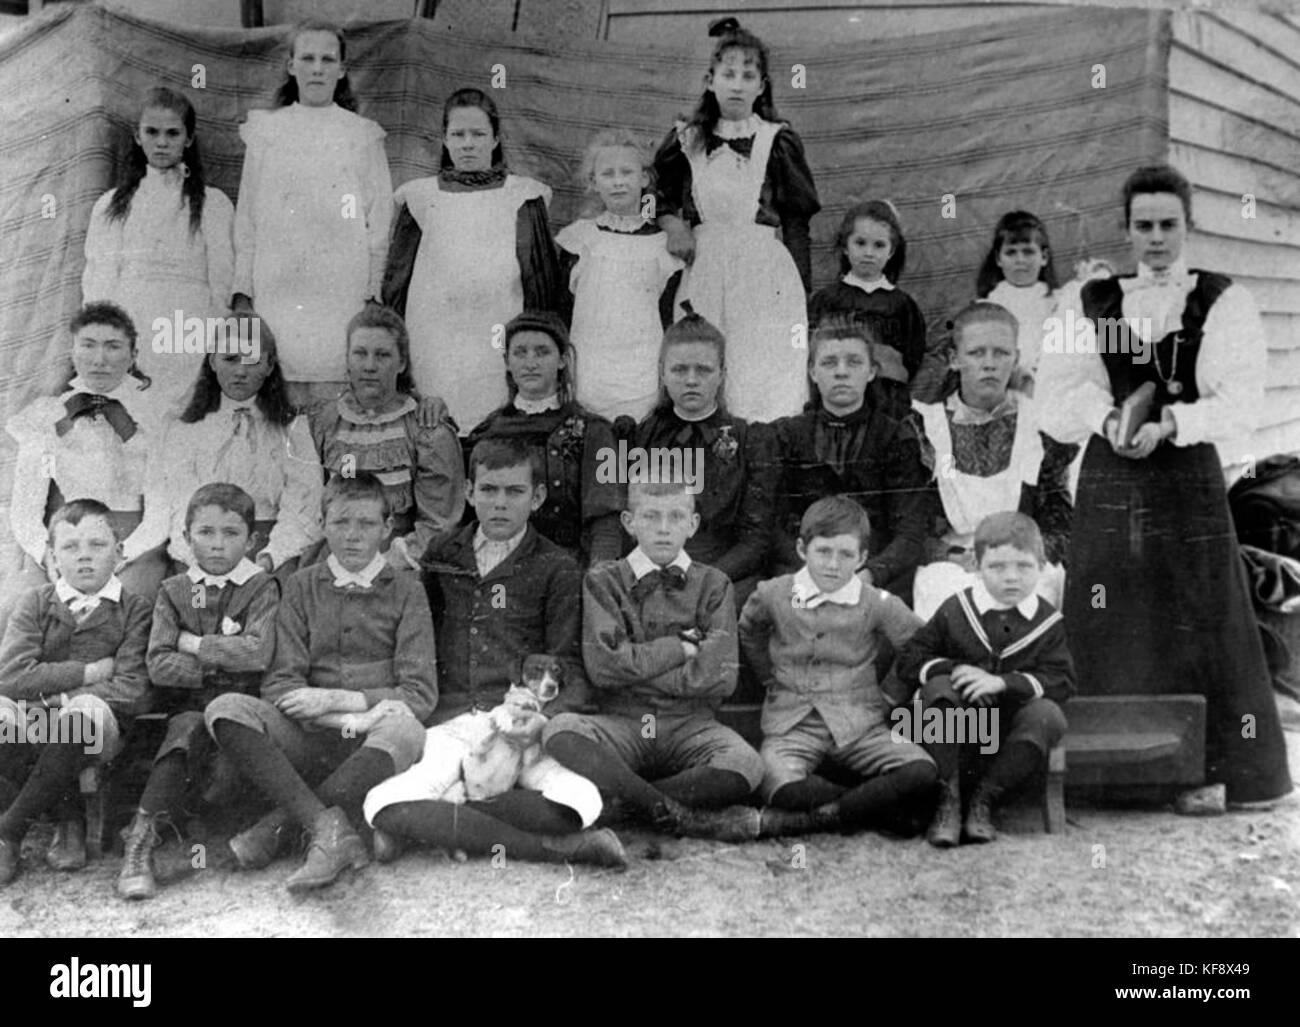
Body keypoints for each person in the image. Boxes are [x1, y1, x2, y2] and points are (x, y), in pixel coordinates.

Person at [1036, 163, 1292, 807]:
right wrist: (1109, 420)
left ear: (1188, 227)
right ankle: (1110, 776)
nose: (1155, 238)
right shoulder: (1087, 300)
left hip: (1186, 478)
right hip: (1112, 476)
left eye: (1167, 225)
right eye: (1143, 226)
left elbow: (1241, 400)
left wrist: (1174, 422)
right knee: (1105, 607)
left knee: (1204, 613)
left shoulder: (1221, 299)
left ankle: (1221, 772)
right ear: (1126, 229)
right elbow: (1057, 394)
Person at [361, 438, 624, 869]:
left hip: (520, 725)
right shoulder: (445, 554)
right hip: (452, 720)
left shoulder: (556, 567)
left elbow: (568, 663)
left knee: (583, 801)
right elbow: (422, 640)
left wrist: (539, 719)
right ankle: (555, 849)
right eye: (488, 490)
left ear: (537, 497)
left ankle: (442, 823)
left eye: (514, 492)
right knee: (381, 804)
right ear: (469, 492)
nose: (499, 503)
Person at [203, 473, 433, 892]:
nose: (352, 536)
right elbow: (280, 683)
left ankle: (281, 826)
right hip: (308, 739)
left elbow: (419, 693)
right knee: (227, 709)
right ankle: (328, 828)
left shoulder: (407, 591)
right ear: (324, 524)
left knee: (406, 727)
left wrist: (337, 700)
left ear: (387, 529)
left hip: (373, 746)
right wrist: (336, 715)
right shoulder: (300, 585)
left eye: (366, 524)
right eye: (341, 523)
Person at [542, 481, 765, 842]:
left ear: (692, 524)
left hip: (689, 724)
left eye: (676, 516)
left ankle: (626, 804)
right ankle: (665, 808)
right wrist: (682, 648)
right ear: (629, 522)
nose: (664, 527)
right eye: (651, 516)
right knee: (561, 730)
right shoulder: (604, 580)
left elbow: (719, 678)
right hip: (624, 721)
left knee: (746, 763)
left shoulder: (714, 584)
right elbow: (604, 669)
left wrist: (634, 667)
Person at [652, 17, 820, 422]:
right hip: (705, 265)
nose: (738, 84)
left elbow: (797, 221)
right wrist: (672, 223)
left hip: (764, 270)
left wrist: (801, 292)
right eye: (728, 74)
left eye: (748, 75)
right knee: (706, 359)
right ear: (711, 80)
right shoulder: (686, 139)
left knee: (762, 366)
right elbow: (653, 195)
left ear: (761, 86)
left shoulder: (775, 140)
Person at [739, 496, 936, 838]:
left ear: (862, 558)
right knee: (777, 789)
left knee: (921, 771)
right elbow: (749, 628)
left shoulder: (875, 601)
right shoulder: (773, 593)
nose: (833, 565)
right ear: (802, 549)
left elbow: (920, 643)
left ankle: (834, 815)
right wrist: (769, 676)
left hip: (860, 724)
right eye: (823, 551)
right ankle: (868, 807)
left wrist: (891, 694)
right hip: (792, 725)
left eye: (846, 555)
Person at [118, 484, 280, 900]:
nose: (217, 545)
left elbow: (258, 653)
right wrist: (225, 661)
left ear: (252, 540)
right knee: (187, 731)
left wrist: (195, 645)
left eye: (231, 533)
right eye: (205, 533)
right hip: (189, 709)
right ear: (187, 538)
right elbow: (158, 663)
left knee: (223, 781)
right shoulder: (174, 591)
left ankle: (194, 828)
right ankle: (141, 838)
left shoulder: (261, 588)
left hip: (242, 712)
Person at [230, 20, 392, 406]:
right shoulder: (266, 131)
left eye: (327, 59)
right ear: (291, 66)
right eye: (307, 58)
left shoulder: (362, 134)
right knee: (279, 394)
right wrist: (242, 290)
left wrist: (372, 291)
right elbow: (248, 214)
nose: (317, 68)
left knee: (331, 396)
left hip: (340, 289)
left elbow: (379, 222)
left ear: (342, 69)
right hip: (278, 286)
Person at [383, 88, 563, 430]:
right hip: (434, 338)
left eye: (478, 134)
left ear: (495, 139)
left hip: (496, 336)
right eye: (458, 134)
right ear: (445, 140)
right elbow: (397, 284)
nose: (468, 144)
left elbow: (539, 285)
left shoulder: (522, 196)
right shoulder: (420, 197)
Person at [898, 512, 1075, 847]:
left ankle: (984, 799)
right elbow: (911, 659)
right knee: (938, 689)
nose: (1012, 578)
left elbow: (1063, 679)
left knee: (1048, 714)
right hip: (957, 733)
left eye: (1024, 567)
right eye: (997, 567)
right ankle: (948, 800)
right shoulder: (957, 609)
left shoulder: (1047, 622)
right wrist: (956, 671)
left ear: (1041, 566)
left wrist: (1005, 682)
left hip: (1009, 739)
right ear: (977, 566)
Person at [0, 500, 152, 886]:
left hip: (99, 731)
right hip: (36, 728)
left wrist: (54, 698)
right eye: (70, 547)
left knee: (82, 710)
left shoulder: (135, 609)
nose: (84, 557)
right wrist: (86, 671)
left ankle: (10, 830)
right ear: (52, 556)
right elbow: (12, 676)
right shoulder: (36, 602)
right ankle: (68, 818)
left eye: (97, 545)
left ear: (120, 552)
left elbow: (130, 688)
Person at [4, 302, 170, 625]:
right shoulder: (47, 417)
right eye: (88, 345)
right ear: (73, 351)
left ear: (133, 355)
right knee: (20, 614)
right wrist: (49, 556)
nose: (99, 360)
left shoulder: (154, 418)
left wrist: (120, 557)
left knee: (124, 614)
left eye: (113, 347)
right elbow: (25, 509)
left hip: (134, 547)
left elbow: (160, 513)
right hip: (65, 543)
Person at [911, 302, 1072, 620]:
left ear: (1016, 358)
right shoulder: (923, 427)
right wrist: (950, 554)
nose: (989, 364)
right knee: (946, 595)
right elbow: (910, 525)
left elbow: (1061, 521)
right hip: (951, 564)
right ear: (954, 359)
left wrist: (1023, 555)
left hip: (1023, 561)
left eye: (1000, 353)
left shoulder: (1040, 426)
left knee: (1038, 592)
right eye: (976, 353)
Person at [81, 86, 234, 410]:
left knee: (182, 417)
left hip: (188, 329)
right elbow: (99, 280)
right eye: (152, 132)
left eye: (172, 133)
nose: (162, 142)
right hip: (132, 321)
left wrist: (215, 340)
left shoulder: (212, 204)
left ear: (189, 139)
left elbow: (222, 281)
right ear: (137, 136)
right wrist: (106, 342)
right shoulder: (111, 205)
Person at [621, 307, 777, 609]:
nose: (691, 380)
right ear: (662, 373)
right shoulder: (640, 438)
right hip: (654, 566)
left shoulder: (751, 440)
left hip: (725, 572)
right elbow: (628, 524)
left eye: (703, 370)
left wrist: (701, 580)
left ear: (721, 375)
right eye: (679, 370)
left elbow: (757, 539)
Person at [771, 319, 932, 604]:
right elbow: (772, 524)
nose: (842, 372)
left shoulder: (896, 438)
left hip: (873, 571)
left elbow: (910, 532)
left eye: (854, 362)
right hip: (802, 567)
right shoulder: (787, 435)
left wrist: (868, 575)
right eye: (830, 362)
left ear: (871, 372)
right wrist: (810, 573)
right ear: (813, 371)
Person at [159, 312, 322, 579]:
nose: (241, 371)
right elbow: (179, 504)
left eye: (253, 360)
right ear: (212, 361)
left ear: (269, 365)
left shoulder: (292, 426)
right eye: (230, 359)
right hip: (203, 551)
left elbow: (303, 504)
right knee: (198, 607)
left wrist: (272, 557)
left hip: (270, 548)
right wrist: (198, 560)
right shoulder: (186, 426)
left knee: (270, 608)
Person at [308, 305, 464, 572]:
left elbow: (439, 523)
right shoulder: (323, 421)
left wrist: (391, 562)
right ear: (347, 359)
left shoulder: (427, 430)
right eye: (360, 354)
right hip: (332, 559)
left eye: (382, 355)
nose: (370, 366)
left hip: (398, 565)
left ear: (401, 363)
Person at [465, 311, 621, 566]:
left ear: (561, 360)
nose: (530, 363)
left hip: (568, 569)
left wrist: (599, 579)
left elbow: (605, 520)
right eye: (520, 353)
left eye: (542, 352)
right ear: (507, 362)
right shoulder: (487, 433)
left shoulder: (594, 431)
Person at [556, 128, 683, 420]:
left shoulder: (663, 246)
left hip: (642, 370)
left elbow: (668, 316)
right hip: (589, 369)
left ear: (644, 178)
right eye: (607, 174)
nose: (617, 182)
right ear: (593, 182)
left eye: (626, 172)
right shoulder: (580, 240)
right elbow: (562, 310)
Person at [807, 200, 927, 414]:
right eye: (860, 243)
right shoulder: (826, 300)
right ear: (845, 246)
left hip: (887, 404)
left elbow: (913, 356)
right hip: (836, 399)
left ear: (891, 251)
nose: (869, 253)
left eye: (879, 245)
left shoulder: (902, 305)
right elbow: (807, 347)